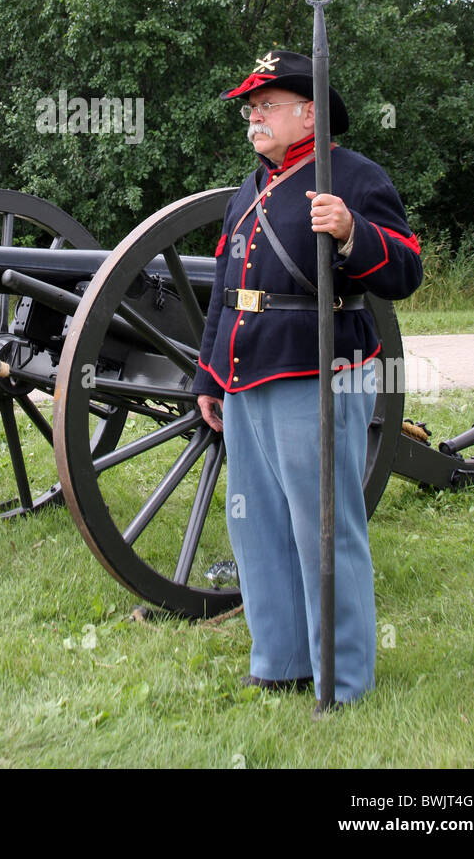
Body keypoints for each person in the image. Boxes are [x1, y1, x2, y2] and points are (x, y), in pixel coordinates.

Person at [193, 50, 422, 706]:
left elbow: (404, 271)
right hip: (246, 374)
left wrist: (353, 233)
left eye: (266, 106)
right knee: (257, 526)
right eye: (250, 108)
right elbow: (226, 290)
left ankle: (343, 679)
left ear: (310, 113)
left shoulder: (353, 175)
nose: (253, 118)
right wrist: (209, 377)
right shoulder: (251, 186)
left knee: (325, 528)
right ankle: (280, 659)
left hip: (317, 372)